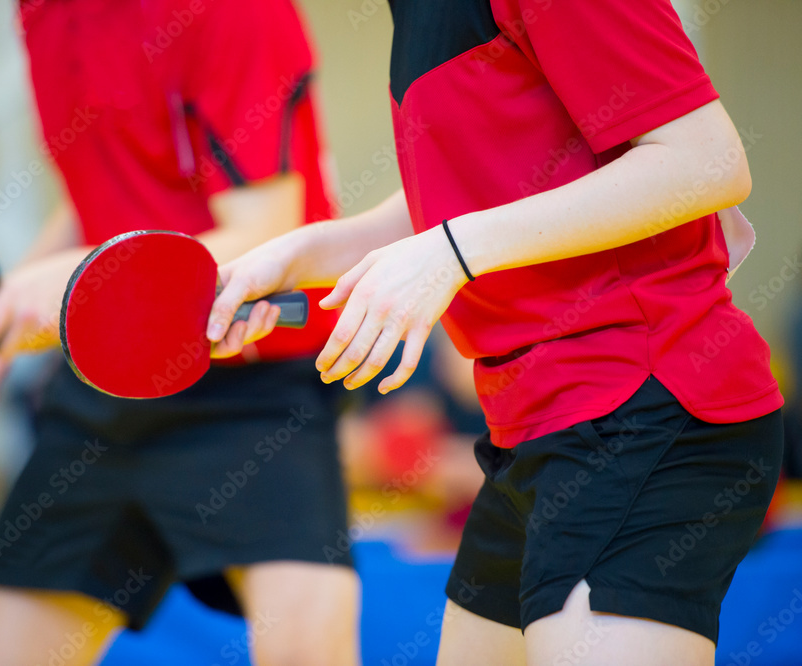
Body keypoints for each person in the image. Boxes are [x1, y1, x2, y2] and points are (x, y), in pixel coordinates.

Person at [207, 2, 783, 664]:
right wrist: (294, 256)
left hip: (648, 406)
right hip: (529, 434)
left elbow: (706, 160)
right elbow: (462, 204)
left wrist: (452, 252)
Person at [0, 1, 359, 664]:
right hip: (105, 386)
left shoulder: (235, 12)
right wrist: (5, 307)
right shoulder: (42, 13)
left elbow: (268, 232)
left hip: (254, 391)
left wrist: (77, 280)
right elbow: (105, 191)